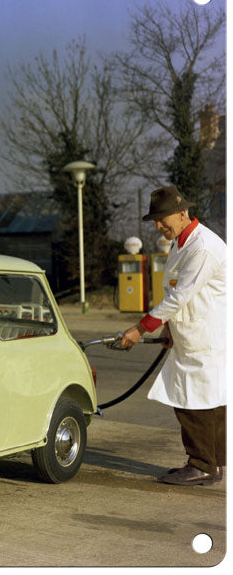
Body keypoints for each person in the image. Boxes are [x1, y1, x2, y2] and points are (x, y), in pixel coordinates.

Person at [118, 185, 226, 486]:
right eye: (155, 220)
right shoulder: (183, 241)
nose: (158, 225)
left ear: (182, 213)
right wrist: (168, 328)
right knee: (208, 399)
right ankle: (213, 464)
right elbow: (181, 294)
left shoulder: (202, 247)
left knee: (193, 401)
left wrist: (140, 328)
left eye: (162, 218)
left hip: (206, 337)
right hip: (195, 333)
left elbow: (179, 297)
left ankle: (202, 465)